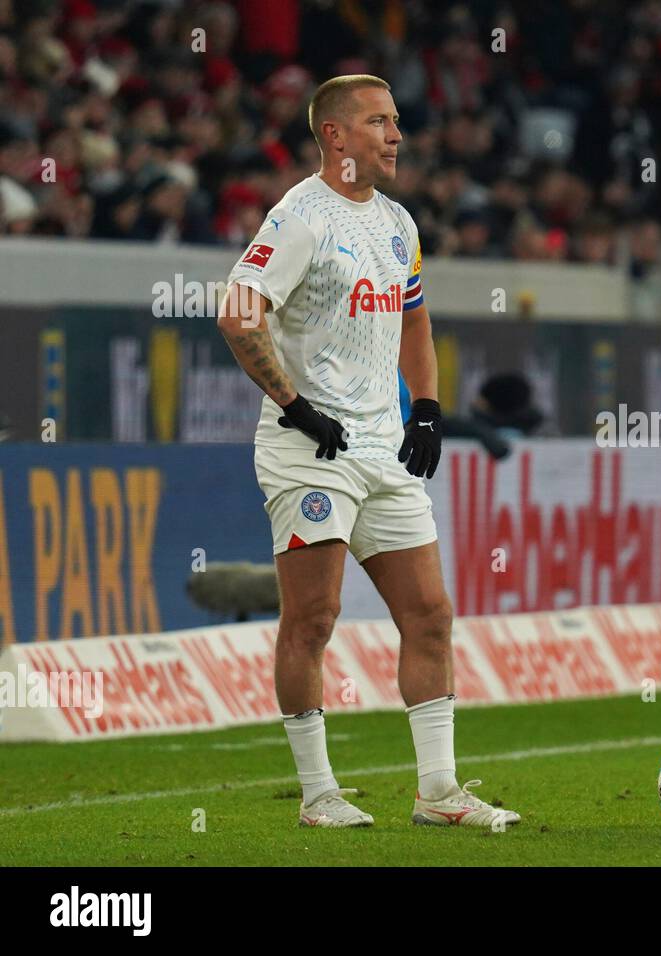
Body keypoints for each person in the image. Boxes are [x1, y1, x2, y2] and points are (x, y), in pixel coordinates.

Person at [217, 74, 520, 829]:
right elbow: (237, 311)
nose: (397, 136)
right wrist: (296, 406)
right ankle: (319, 795)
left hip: (384, 449)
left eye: (397, 121)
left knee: (430, 615)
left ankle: (439, 794)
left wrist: (425, 408)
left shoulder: (397, 222)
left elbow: (415, 323)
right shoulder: (299, 219)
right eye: (380, 122)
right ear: (336, 136)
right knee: (313, 618)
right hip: (309, 451)